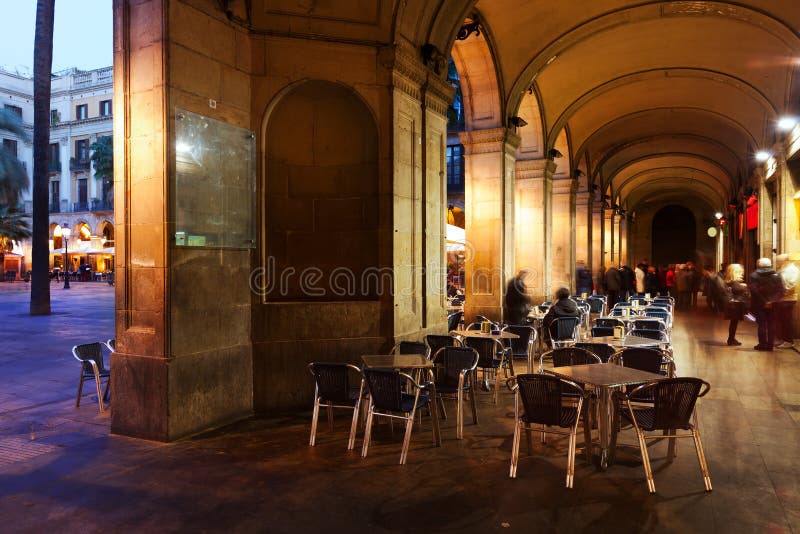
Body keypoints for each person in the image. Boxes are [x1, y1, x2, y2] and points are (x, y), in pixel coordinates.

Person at [749, 258, 784, 351]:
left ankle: (762, 345)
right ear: (770, 264)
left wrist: (764, 301)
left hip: (759, 304)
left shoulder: (754, 275)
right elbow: (781, 290)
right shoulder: (777, 275)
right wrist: (771, 301)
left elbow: (754, 290)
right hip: (774, 304)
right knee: (772, 324)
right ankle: (770, 345)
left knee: (761, 324)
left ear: (759, 265)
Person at [775, 254, 799, 349]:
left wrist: (783, 292)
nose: (777, 263)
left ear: (785, 261)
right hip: (782, 298)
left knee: (786, 320)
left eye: (779, 261)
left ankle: (789, 341)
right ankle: (784, 339)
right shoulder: (784, 269)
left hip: (788, 298)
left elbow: (791, 284)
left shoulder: (792, 270)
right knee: (782, 320)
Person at [723, 264, 750, 346]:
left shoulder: (729, 281)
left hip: (734, 304)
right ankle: (731, 339)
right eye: (740, 272)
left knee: (734, 323)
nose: (742, 273)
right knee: (734, 322)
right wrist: (745, 287)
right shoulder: (734, 282)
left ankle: (731, 338)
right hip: (735, 305)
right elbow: (740, 291)